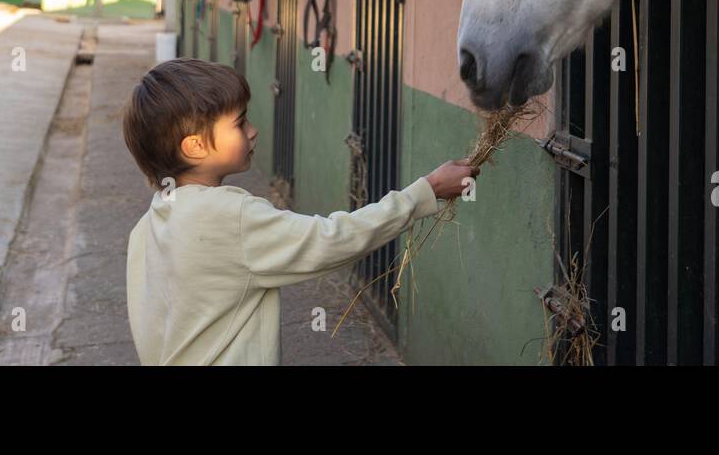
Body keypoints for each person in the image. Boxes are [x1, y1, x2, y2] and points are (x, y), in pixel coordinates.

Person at [122, 57, 478, 365]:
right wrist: (424, 192)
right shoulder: (229, 216)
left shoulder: (148, 225)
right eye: (239, 122)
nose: (253, 130)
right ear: (195, 146)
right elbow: (331, 241)